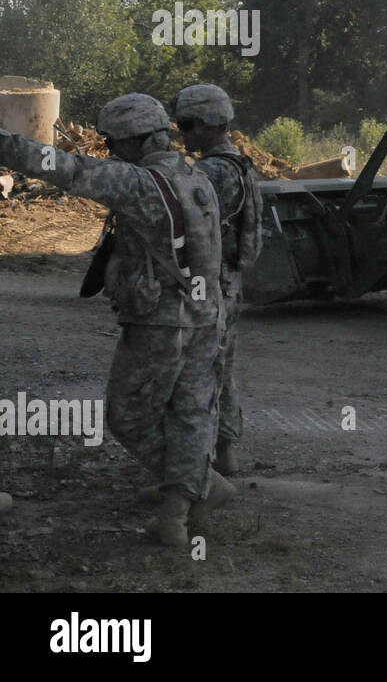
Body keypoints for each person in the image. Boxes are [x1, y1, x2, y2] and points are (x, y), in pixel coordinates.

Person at [0, 93, 232, 546]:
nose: (108, 151)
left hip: (162, 321)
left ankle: (196, 485)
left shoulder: (140, 183)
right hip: (207, 316)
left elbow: (63, 167)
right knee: (188, 416)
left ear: (134, 141)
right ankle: (177, 514)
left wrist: (4, 143)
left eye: (111, 143)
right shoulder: (195, 175)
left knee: (127, 415)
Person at [171, 84, 263, 475]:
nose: (183, 133)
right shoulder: (241, 164)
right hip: (230, 280)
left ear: (210, 124)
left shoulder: (212, 172)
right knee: (223, 368)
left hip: (211, 283)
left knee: (200, 373)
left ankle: (200, 469)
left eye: (188, 124)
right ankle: (226, 454)